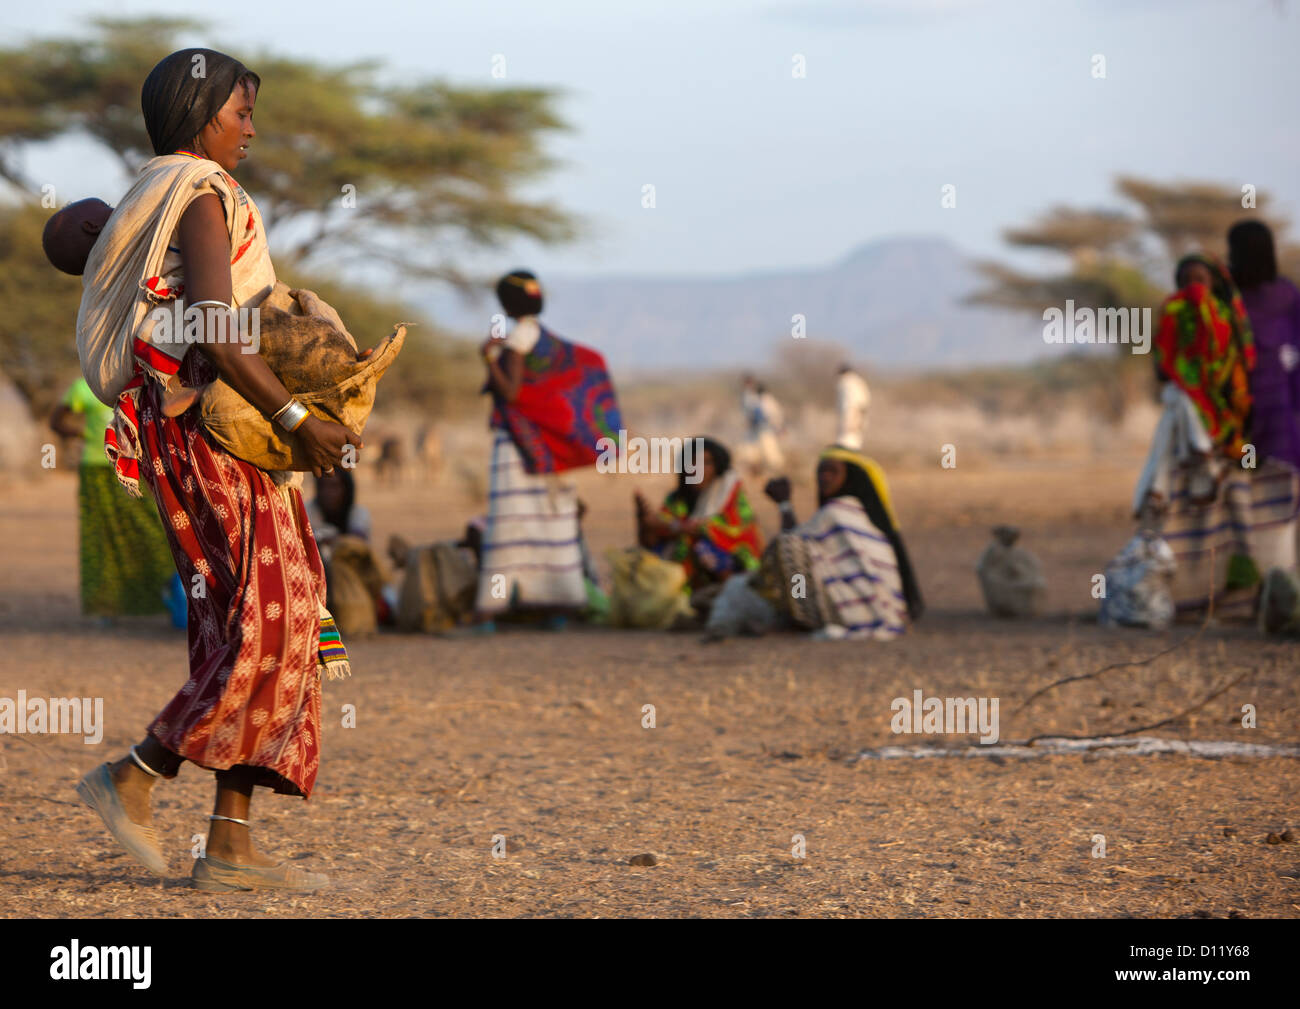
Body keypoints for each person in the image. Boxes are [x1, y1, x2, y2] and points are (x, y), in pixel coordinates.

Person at [71, 49, 362, 893]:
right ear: (202, 119)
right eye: (240, 115)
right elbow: (218, 332)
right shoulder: (198, 193)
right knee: (271, 619)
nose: (251, 130)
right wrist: (297, 418)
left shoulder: (161, 192)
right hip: (203, 430)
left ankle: (231, 843)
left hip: (211, 432)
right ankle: (133, 775)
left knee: (266, 614)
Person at [1128, 253, 1298, 619]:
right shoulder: (1173, 313)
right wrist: (1188, 375)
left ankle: (1244, 596)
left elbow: (1240, 367)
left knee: (1234, 506)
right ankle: (1185, 599)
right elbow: (1162, 366)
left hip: (1228, 424)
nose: (1195, 284)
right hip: (1189, 428)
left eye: (1201, 277)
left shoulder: (1229, 318)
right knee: (1180, 504)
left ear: (1214, 281)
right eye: (1187, 277)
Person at [475, 269, 622, 629]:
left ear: (507, 303)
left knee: (510, 524)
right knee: (553, 524)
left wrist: (489, 358)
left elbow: (510, 393)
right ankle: (558, 606)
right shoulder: (545, 339)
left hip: (517, 449)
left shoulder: (518, 340)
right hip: (549, 450)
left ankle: (492, 610)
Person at [747, 446, 923, 639]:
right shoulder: (859, 517)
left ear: (851, 477)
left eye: (833, 472)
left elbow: (792, 542)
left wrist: (784, 505)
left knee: (789, 548)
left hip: (856, 611)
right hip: (875, 609)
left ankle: (799, 619)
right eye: (821, 471)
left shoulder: (837, 514)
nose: (825, 477)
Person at [49, 376, 176, 619]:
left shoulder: (138, 380)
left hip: (133, 467)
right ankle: (105, 607)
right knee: (100, 537)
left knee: (152, 530)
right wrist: (86, 434)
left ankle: (163, 601)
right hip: (96, 470)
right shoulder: (82, 387)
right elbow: (56, 421)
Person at [634, 437, 763, 602]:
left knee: (703, 548)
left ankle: (736, 598)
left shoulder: (729, 495)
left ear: (718, 467)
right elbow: (651, 542)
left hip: (734, 567)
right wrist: (643, 519)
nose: (698, 469)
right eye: (692, 463)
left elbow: (728, 531)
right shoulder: (677, 499)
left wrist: (674, 526)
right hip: (692, 579)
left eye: (706, 463)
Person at [1228, 220, 1300, 471]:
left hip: (1235, 399)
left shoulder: (1226, 297)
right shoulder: (1287, 293)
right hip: (1280, 399)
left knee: (1241, 475)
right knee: (1283, 471)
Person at [738, 376, 785, 477]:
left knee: (770, 450)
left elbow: (774, 415)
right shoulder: (748, 397)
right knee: (752, 452)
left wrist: (779, 428)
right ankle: (755, 471)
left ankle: (777, 472)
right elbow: (749, 415)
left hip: (765, 429)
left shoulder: (766, 399)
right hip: (755, 429)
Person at [835, 363, 871, 450]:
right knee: (853, 439)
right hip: (856, 416)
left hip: (852, 416)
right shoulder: (858, 382)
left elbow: (852, 404)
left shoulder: (848, 383)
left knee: (848, 439)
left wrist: (850, 420)